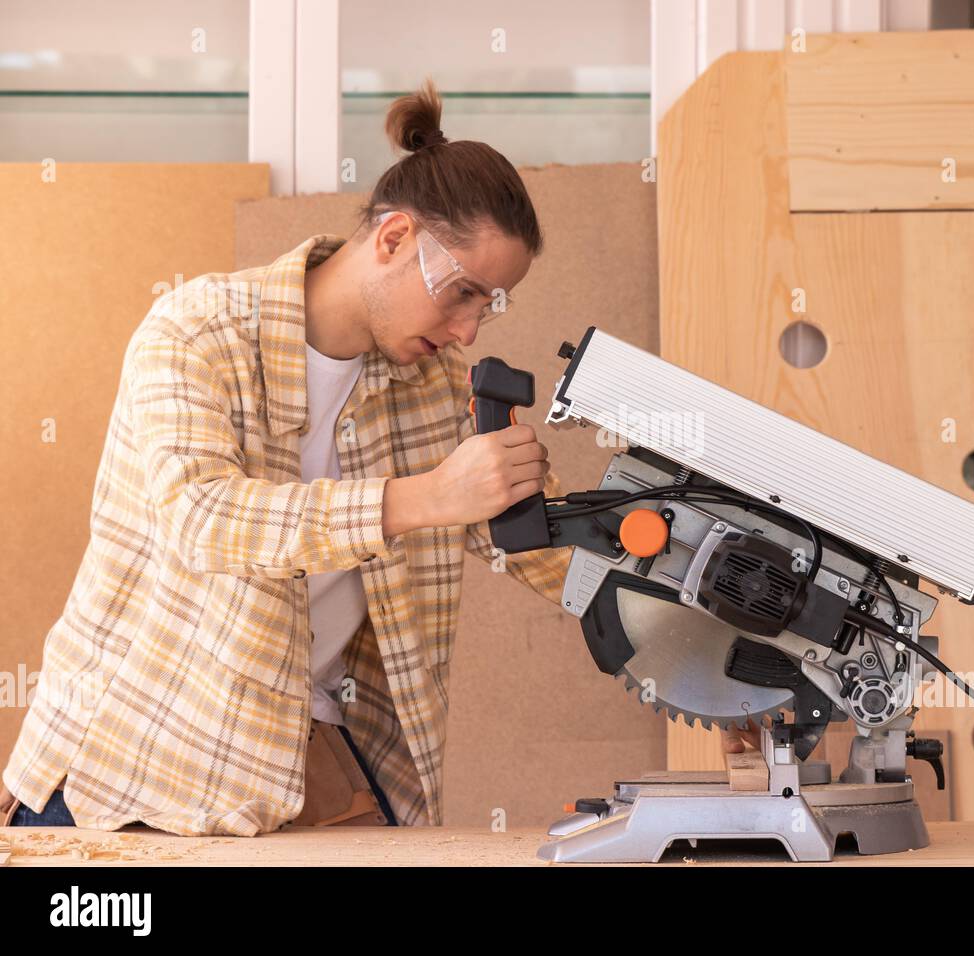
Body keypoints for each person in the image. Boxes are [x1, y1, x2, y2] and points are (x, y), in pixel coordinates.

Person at [0, 79, 572, 835]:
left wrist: (695, 659)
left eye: (488, 305)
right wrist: (427, 497)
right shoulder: (197, 331)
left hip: (299, 754)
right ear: (394, 238)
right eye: (461, 292)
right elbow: (203, 518)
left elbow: (559, 546)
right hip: (133, 757)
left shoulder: (435, 390)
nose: (469, 330)